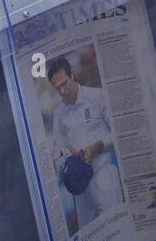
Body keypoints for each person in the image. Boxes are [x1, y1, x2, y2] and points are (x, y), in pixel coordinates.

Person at [47, 56, 122, 229]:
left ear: (72, 75)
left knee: (117, 228)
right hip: (80, 187)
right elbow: (57, 152)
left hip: (104, 175)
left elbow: (118, 131)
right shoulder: (58, 114)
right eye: (58, 88)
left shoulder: (97, 95)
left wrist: (97, 146)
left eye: (64, 84)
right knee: (88, 235)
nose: (63, 91)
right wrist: (69, 154)